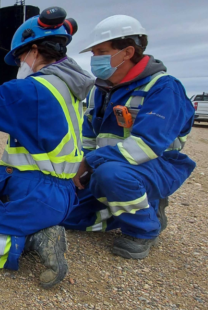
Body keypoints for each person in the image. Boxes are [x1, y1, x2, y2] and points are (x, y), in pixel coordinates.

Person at [0, 8, 95, 288]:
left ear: (34, 50)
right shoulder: (68, 87)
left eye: (21, 57)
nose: (21, 63)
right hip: (62, 189)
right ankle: (30, 221)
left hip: (39, 192)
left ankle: (31, 238)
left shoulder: (34, 90)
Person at [61, 15, 196, 259]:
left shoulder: (163, 88)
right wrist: (80, 166)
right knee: (65, 213)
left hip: (155, 166)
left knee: (112, 174)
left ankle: (144, 228)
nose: (94, 59)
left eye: (101, 51)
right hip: (108, 165)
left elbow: (146, 145)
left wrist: (92, 162)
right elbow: (89, 136)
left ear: (127, 52)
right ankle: (124, 209)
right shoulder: (100, 90)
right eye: (93, 53)